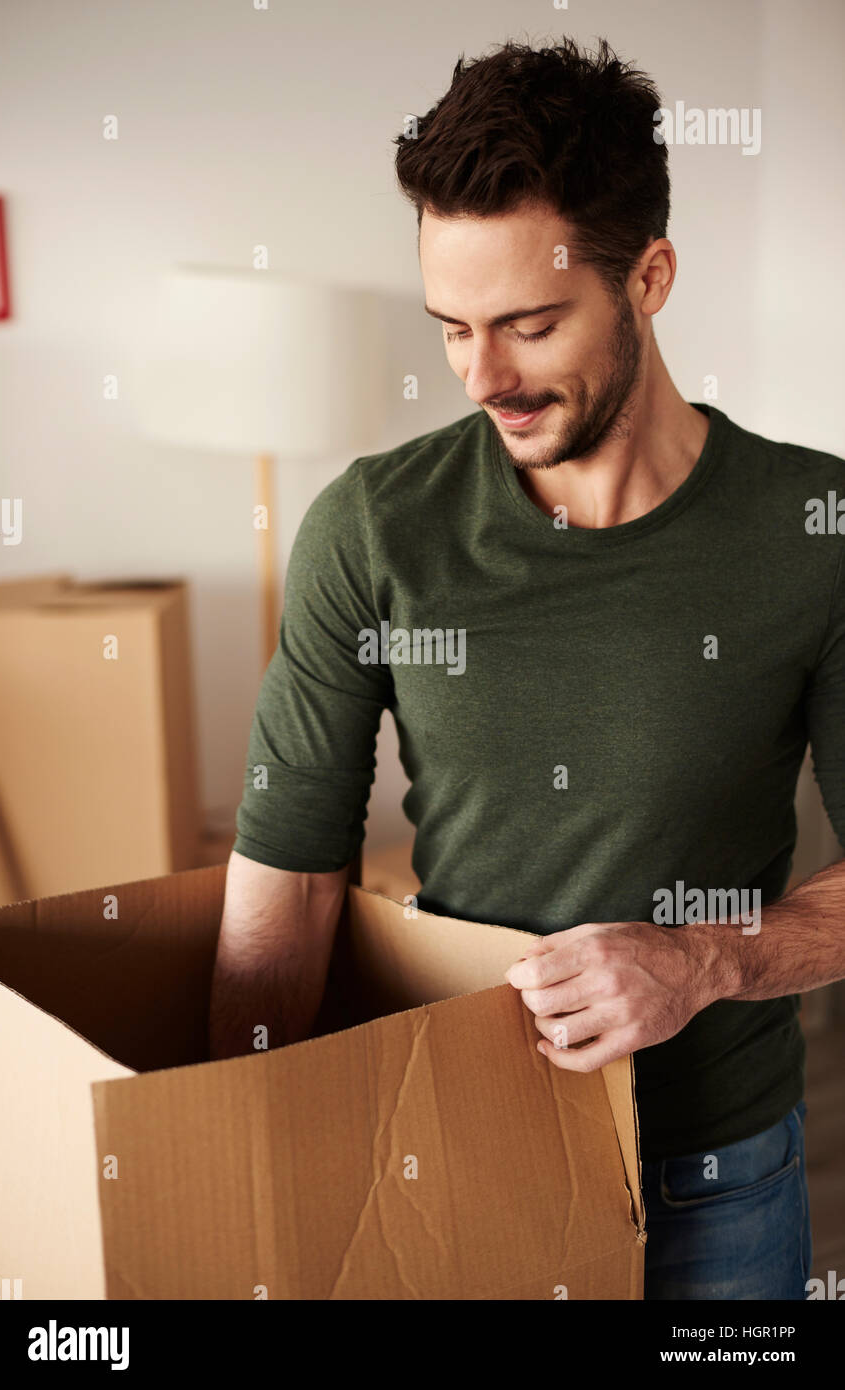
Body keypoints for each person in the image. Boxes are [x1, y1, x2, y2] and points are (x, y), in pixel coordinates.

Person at [210, 37, 844, 1300]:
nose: (482, 377)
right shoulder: (374, 530)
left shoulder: (811, 528)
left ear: (648, 278)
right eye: (451, 328)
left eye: (530, 324)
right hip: (454, 1157)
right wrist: (241, 1164)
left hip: (716, 1180)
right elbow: (281, 895)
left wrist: (704, 959)